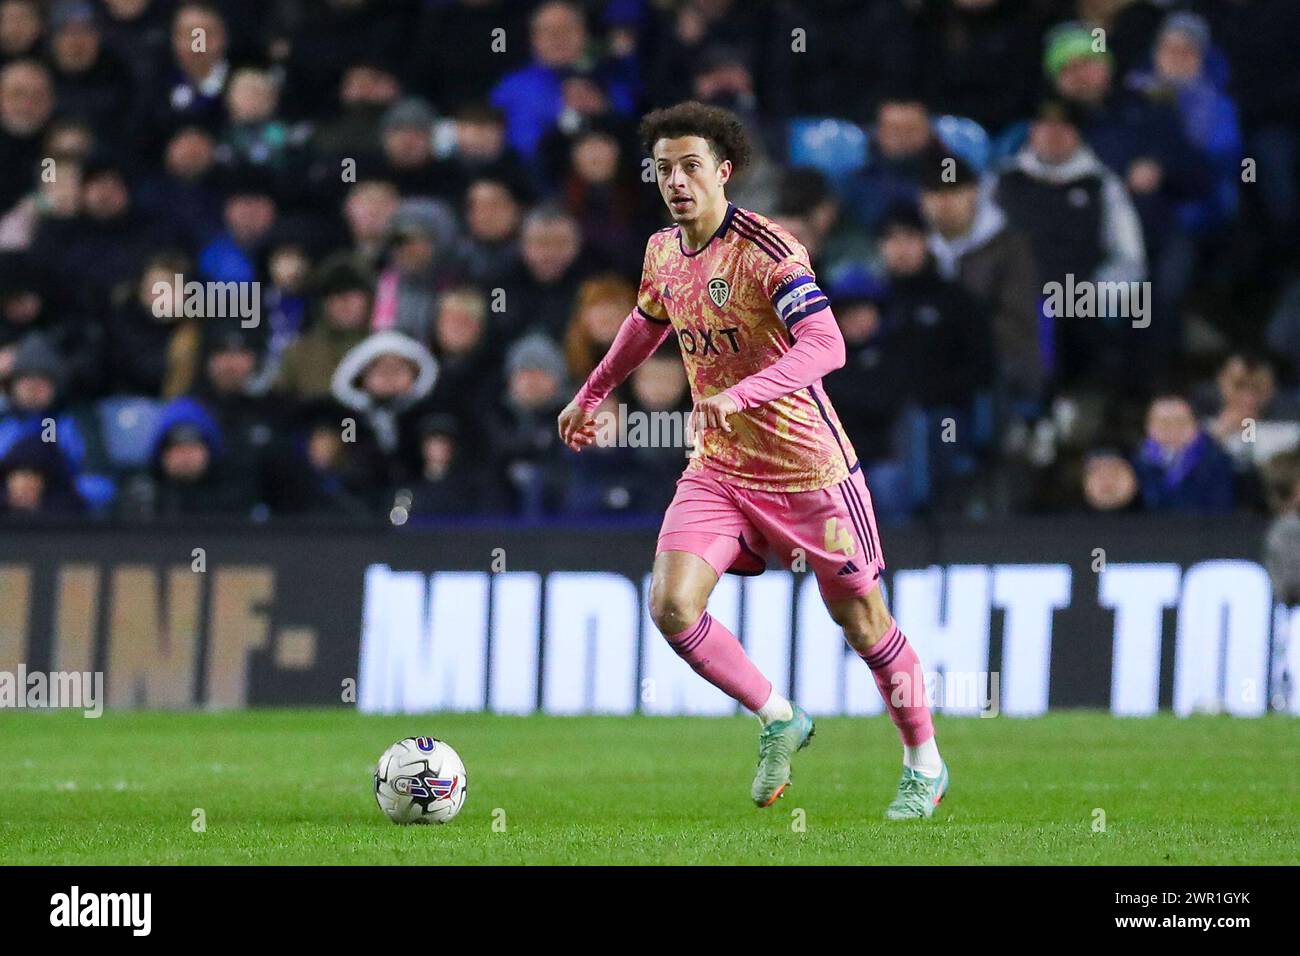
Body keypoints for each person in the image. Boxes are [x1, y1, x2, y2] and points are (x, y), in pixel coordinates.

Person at [556, 102, 947, 819]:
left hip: (810, 473)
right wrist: (592, 393)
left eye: (690, 167)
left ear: (724, 172)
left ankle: (923, 758)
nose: (676, 181)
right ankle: (777, 716)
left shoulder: (768, 249)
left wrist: (741, 393)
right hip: (720, 469)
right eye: (663, 169)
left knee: (863, 625)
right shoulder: (662, 253)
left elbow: (828, 347)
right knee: (672, 605)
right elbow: (646, 325)